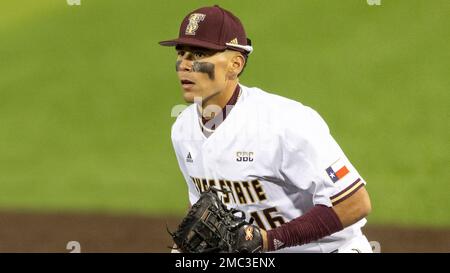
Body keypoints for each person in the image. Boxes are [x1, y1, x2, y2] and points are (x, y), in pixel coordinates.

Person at [159, 5, 373, 253]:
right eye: (181, 53)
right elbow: (201, 212)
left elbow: (355, 203)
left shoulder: (285, 123)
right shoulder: (183, 131)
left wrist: (269, 240)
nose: (184, 65)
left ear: (235, 64)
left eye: (198, 55)